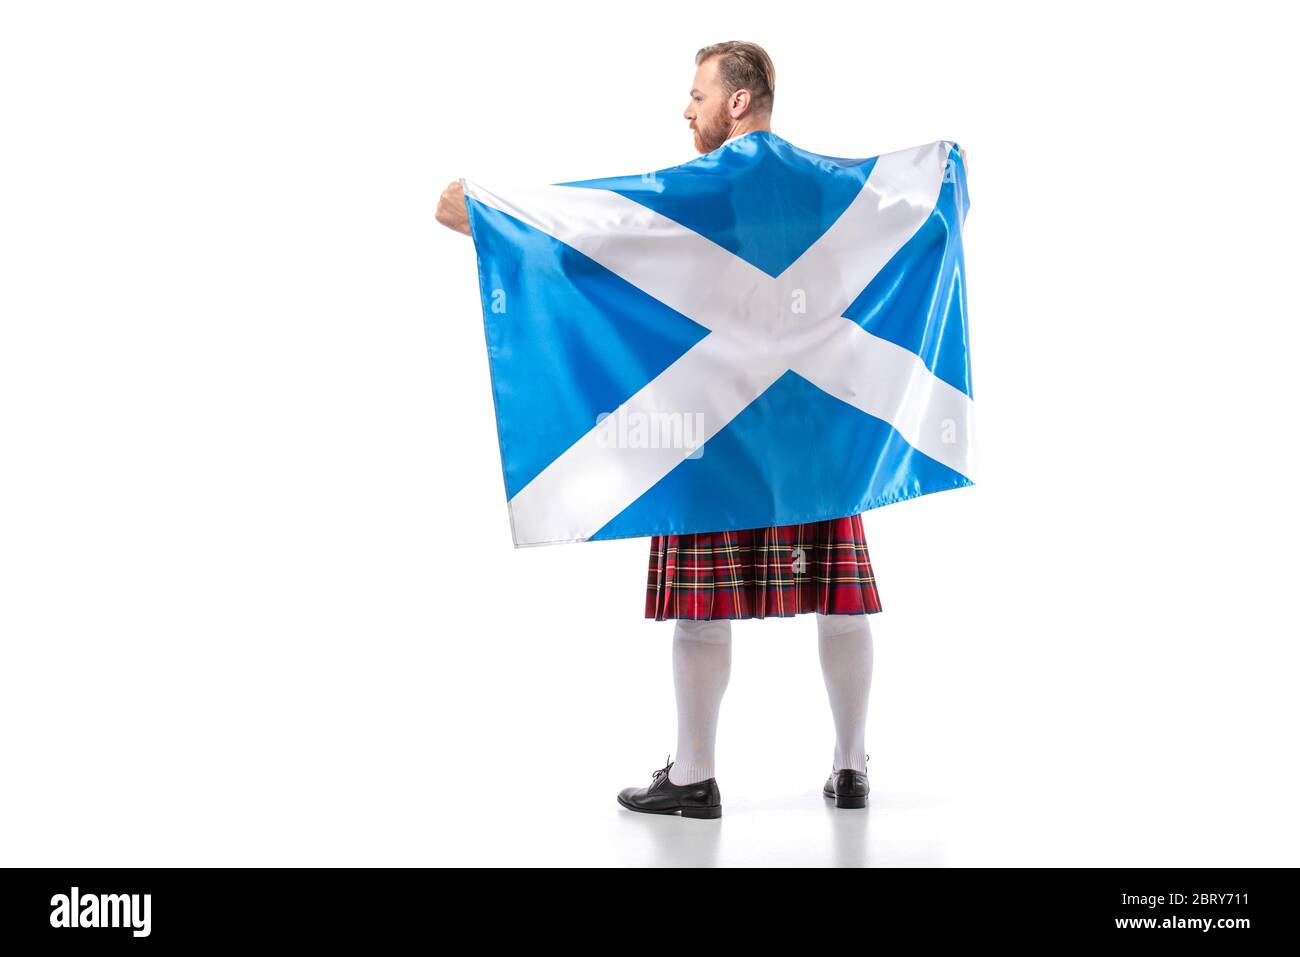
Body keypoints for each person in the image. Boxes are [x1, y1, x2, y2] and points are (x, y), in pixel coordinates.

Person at [435, 40, 967, 819]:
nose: (687, 108)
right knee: (841, 598)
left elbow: (598, 233)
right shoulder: (831, 190)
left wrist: (490, 216)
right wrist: (946, 180)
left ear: (739, 101)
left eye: (697, 93)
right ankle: (852, 768)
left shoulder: (693, 191)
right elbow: (911, 220)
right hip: (816, 432)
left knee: (701, 610)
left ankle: (694, 774)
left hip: (715, 431)